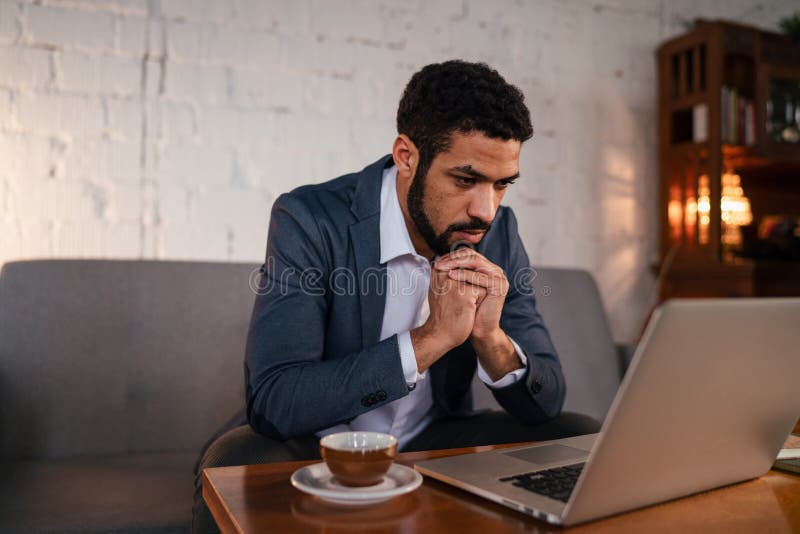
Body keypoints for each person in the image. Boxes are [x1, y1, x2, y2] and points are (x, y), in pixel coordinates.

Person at [192, 60, 599, 534]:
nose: (485, 210)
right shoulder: (309, 218)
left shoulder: (499, 232)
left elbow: (544, 401)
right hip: (316, 438)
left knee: (579, 435)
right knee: (235, 458)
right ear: (407, 156)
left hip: (434, 435)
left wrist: (491, 338)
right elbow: (276, 399)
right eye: (465, 180)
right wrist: (431, 339)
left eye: (502, 184)